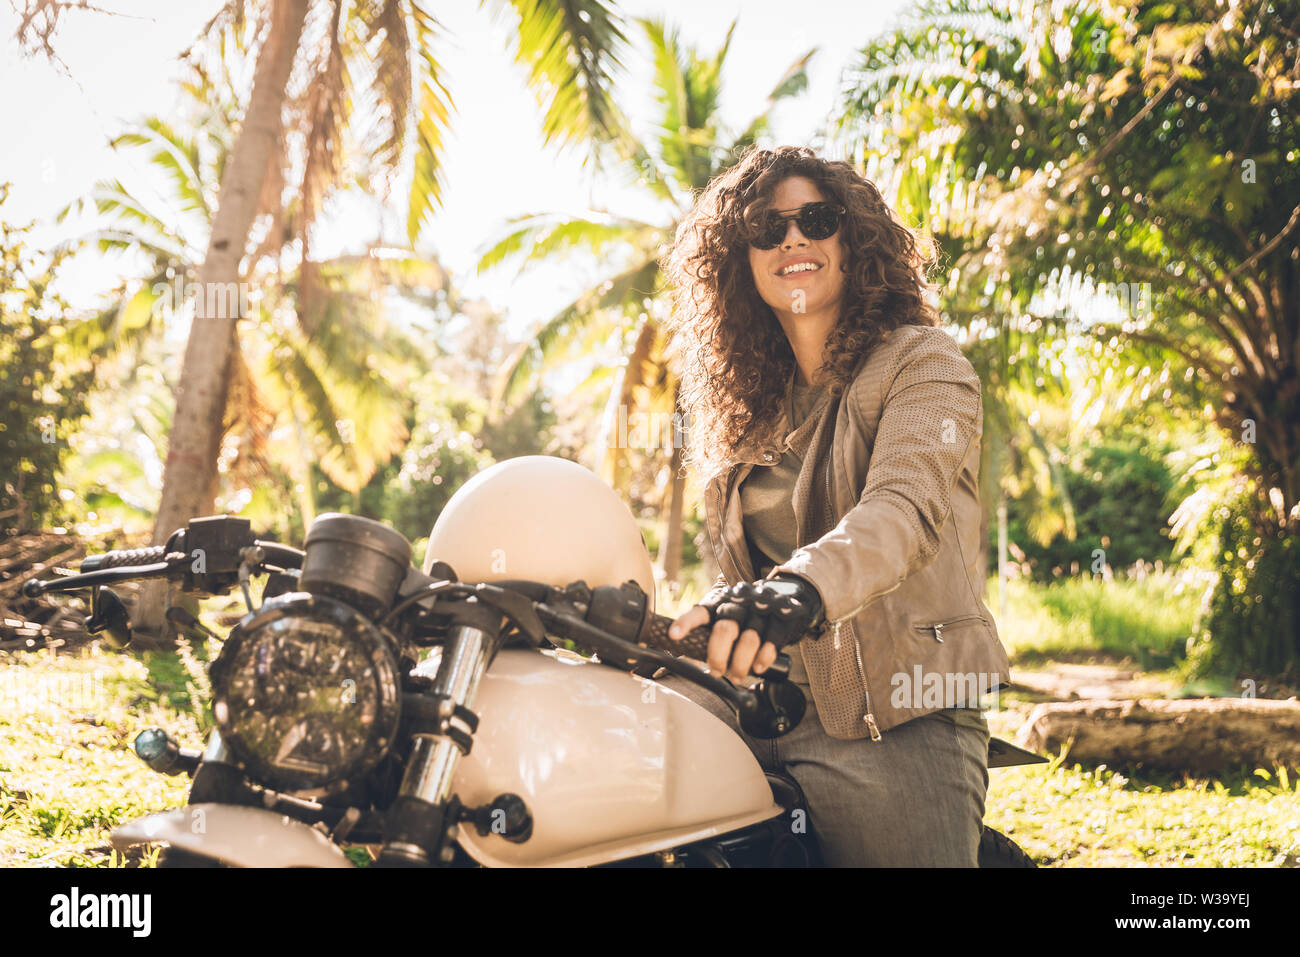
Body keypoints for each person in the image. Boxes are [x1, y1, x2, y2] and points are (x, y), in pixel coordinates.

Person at [657, 145, 1011, 866]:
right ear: (741, 259)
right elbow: (736, 577)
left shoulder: (923, 363)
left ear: (854, 239)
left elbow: (901, 513)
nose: (793, 238)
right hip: (749, 700)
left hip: (895, 711)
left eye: (816, 219)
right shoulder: (747, 411)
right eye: (766, 225)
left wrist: (797, 588)